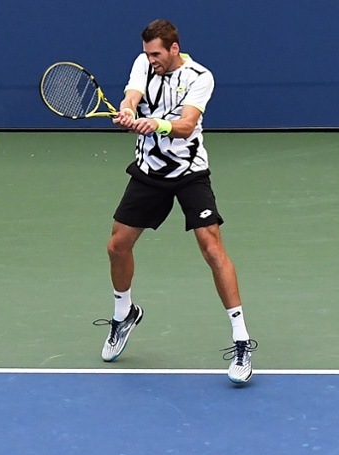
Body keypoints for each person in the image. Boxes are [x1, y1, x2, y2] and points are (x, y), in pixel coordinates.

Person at [96, 19, 255, 384]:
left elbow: (186, 125)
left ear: (174, 48)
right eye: (147, 53)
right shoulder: (143, 64)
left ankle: (242, 339)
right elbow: (132, 95)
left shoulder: (201, 77)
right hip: (148, 172)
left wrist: (157, 125)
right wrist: (128, 110)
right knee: (117, 246)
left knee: (212, 248)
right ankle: (124, 314)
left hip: (189, 173)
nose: (151, 60)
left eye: (157, 54)